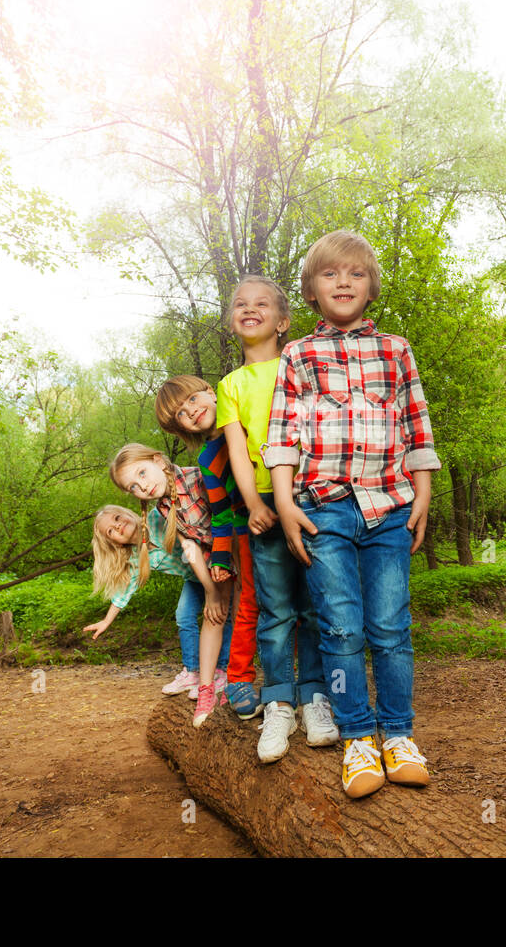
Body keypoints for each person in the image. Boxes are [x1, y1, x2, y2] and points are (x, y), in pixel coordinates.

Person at [263, 230, 440, 799]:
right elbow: (282, 436)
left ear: (371, 287)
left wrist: (423, 496)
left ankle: (398, 733)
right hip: (323, 512)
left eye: (356, 274)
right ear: (312, 292)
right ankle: (358, 738)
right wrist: (284, 504)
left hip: (390, 508)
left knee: (390, 628)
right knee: (339, 627)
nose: (344, 282)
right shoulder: (298, 355)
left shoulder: (396, 350)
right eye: (330, 274)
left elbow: (417, 427)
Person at [218, 275, 338, 762]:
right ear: (233, 321)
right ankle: (279, 702)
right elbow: (238, 453)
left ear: (282, 321)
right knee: (275, 611)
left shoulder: (301, 363)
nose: (250, 309)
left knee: (315, 608)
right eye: (241, 305)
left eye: (262, 303)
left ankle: (314, 698)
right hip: (266, 504)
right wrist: (255, 506)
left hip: (313, 496)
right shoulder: (230, 385)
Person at [154, 374, 262, 720]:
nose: (191, 411)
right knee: (244, 607)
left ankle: (304, 690)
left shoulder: (250, 420)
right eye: (181, 414)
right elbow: (220, 514)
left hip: (286, 513)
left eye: (191, 400)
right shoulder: (207, 460)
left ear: (210, 391)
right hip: (244, 532)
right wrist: (219, 557)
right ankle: (220, 684)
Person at [111, 443, 232, 727]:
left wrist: (224, 568)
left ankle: (238, 682)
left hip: (237, 549)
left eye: (142, 473)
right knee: (213, 615)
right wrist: (212, 592)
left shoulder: (198, 477)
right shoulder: (165, 508)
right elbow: (190, 549)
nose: (142, 486)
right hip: (211, 562)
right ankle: (206, 690)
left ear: (157, 460)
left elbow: (228, 520)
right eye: (133, 487)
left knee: (247, 616)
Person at [83, 504, 230, 705]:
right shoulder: (135, 557)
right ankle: (193, 672)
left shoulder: (157, 517)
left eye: (117, 518)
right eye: (110, 531)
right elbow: (124, 591)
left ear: (127, 512)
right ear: (114, 543)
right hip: (195, 580)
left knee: (221, 614)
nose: (118, 527)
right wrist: (106, 621)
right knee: (183, 615)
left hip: (214, 567)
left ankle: (222, 670)